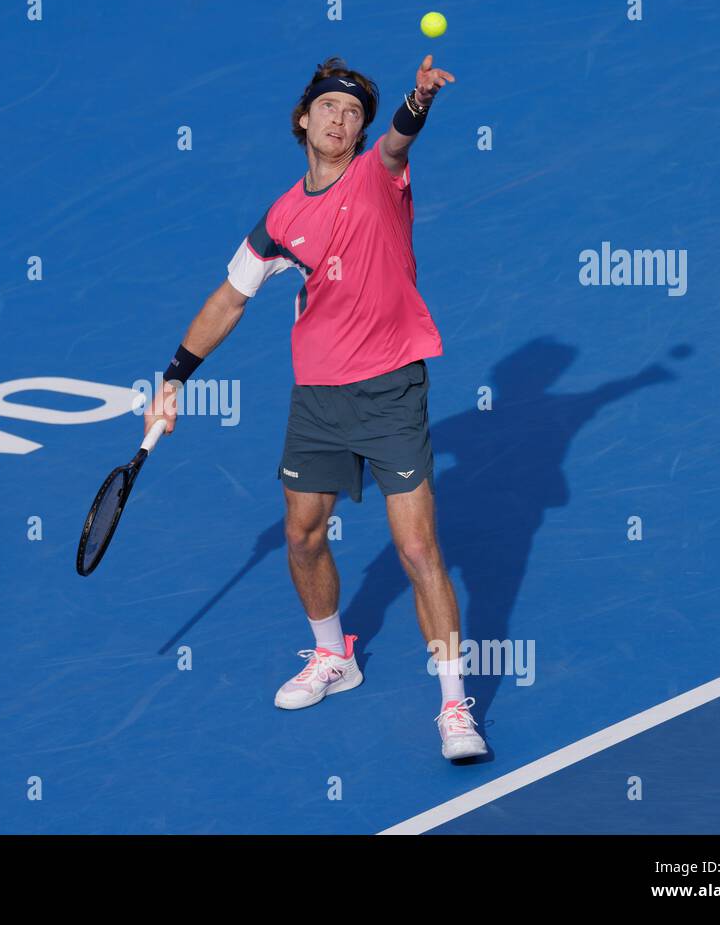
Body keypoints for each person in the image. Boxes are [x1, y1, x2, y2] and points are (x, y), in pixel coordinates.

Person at [145, 55, 486, 761]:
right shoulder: (281, 216)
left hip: (392, 387)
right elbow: (230, 298)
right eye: (329, 107)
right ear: (304, 119)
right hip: (318, 397)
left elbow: (400, 139)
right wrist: (174, 377)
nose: (341, 119)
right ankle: (335, 655)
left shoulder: (378, 174)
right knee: (301, 535)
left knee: (418, 547)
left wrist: (419, 101)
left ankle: (454, 702)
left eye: (354, 112)